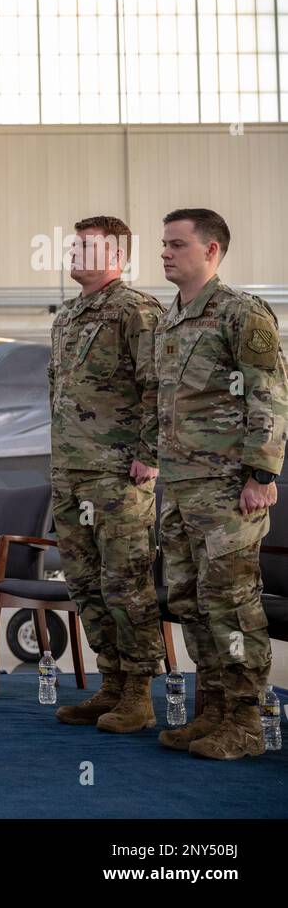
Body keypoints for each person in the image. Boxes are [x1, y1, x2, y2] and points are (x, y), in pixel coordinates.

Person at [154, 207, 287, 760]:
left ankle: (246, 721)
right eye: (163, 244)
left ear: (211, 250)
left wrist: (261, 474)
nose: (165, 252)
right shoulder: (170, 319)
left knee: (232, 606)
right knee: (190, 601)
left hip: (229, 490)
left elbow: (270, 395)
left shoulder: (241, 313)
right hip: (180, 490)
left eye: (177, 244)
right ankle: (211, 713)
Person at [47, 216, 165, 732]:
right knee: (85, 584)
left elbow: (160, 385)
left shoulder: (136, 311)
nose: (72, 252)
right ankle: (110, 684)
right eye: (73, 244)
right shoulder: (68, 315)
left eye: (85, 246)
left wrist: (150, 453)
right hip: (71, 473)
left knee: (125, 584)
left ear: (116, 256)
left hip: (118, 475)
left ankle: (139, 694)